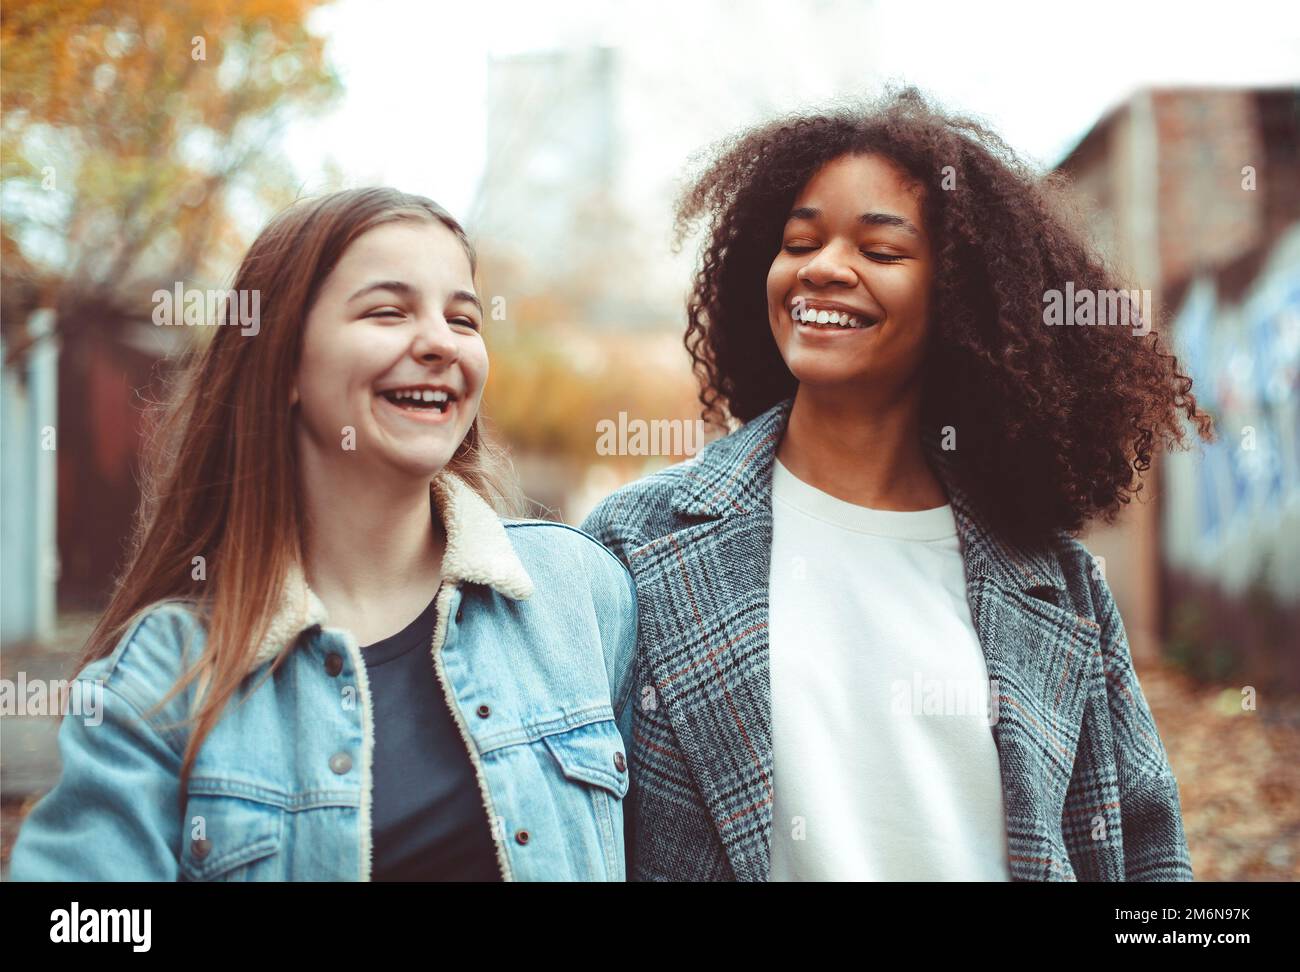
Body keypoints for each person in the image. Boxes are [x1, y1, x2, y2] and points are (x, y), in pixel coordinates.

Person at [582, 88, 1211, 882]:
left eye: (880, 252)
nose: (823, 268)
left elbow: (1146, 848)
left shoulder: (1056, 583)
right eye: (798, 241)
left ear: (961, 302)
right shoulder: (639, 544)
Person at [10, 187, 636, 882]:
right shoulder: (161, 677)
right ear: (283, 366)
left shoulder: (578, 592)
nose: (439, 342)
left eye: (463, 319)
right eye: (387, 311)